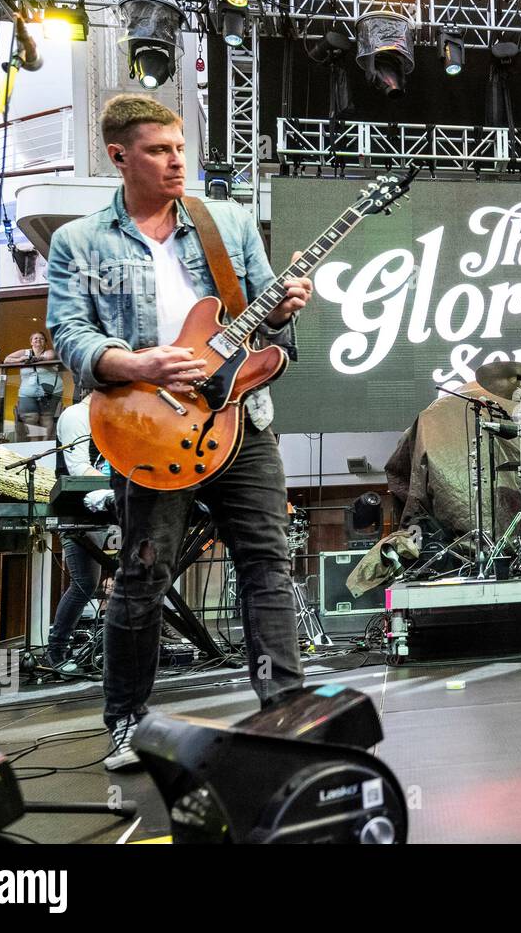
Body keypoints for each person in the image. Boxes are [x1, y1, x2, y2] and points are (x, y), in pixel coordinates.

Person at [47, 95, 312, 771]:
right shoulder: (80, 242)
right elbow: (70, 334)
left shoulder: (224, 222)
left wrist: (282, 312)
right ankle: (126, 723)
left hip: (239, 422)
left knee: (266, 564)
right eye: (159, 150)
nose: (175, 161)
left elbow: (269, 330)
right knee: (141, 576)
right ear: (120, 156)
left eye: (179, 148)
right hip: (148, 429)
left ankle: (284, 710)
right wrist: (134, 362)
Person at [46, 393, 109, 676]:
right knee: (85, 582)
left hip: (105, 510)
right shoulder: (76, 416)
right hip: (81, 511)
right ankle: (56, 652)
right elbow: (79, 469)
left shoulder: (106, 418)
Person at [4, 331, 63, 440]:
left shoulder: (48, 351)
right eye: (35, 338)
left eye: (41, 339)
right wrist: (20, 359)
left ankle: (45, 443)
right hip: (28, 391)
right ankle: (34, 442)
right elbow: (7, 360)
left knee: (46, 417)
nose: (38, 340)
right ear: (31, 342)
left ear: (45, 343)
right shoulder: (24, 352)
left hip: (50, 390)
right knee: (30, 417)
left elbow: (49, 357)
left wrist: (35, 359)